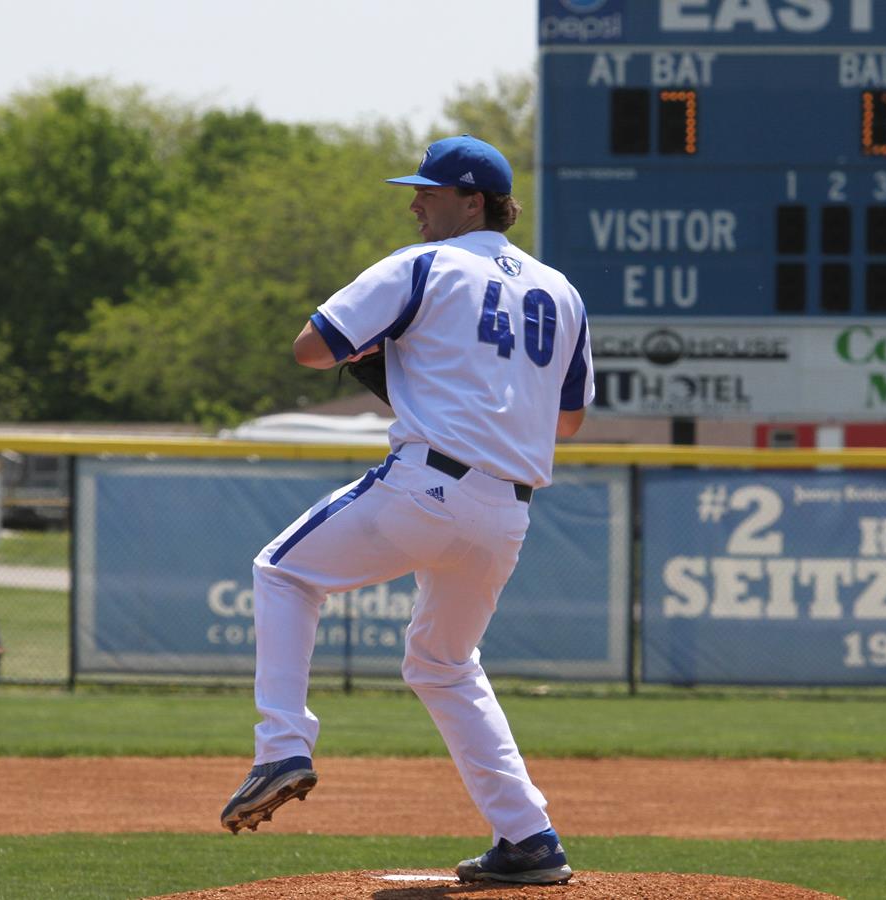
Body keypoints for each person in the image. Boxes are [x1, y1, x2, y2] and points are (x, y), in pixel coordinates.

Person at [218, 135, 592, 885]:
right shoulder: (561, 289)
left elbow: (311, 348)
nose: (416, 202)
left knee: (283, 574)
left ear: (474, 201)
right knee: (444, 664)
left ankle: (281, 746)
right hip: (506, 514)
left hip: (426, 487)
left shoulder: (423, 264)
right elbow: (569, 422)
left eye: (429, 190)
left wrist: (382, 360)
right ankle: (528, 838)